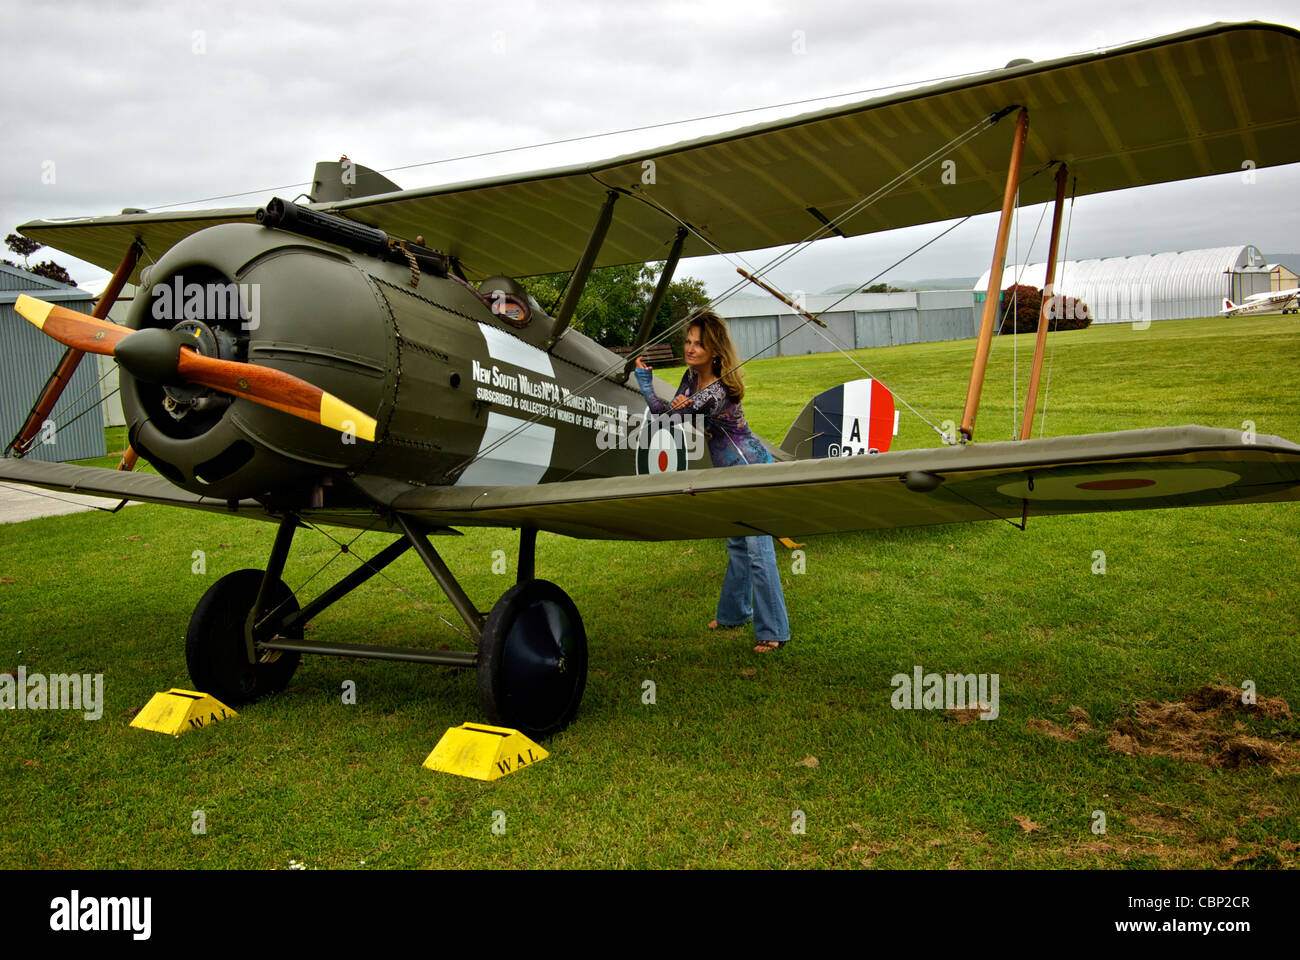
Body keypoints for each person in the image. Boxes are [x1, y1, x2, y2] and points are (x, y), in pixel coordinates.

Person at [634, 311, 791, 653]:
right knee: (737, 544)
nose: (691, 349)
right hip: (728, 471)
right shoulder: (691, 379)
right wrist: (651, 388)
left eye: (699, 344)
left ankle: (774, 630)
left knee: (758, 550)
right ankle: (735, 614)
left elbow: (674, 415)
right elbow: (665, 418)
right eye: (688, 342)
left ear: (715, 350)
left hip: (751, 471)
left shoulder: (718, 391)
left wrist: (664, 397)